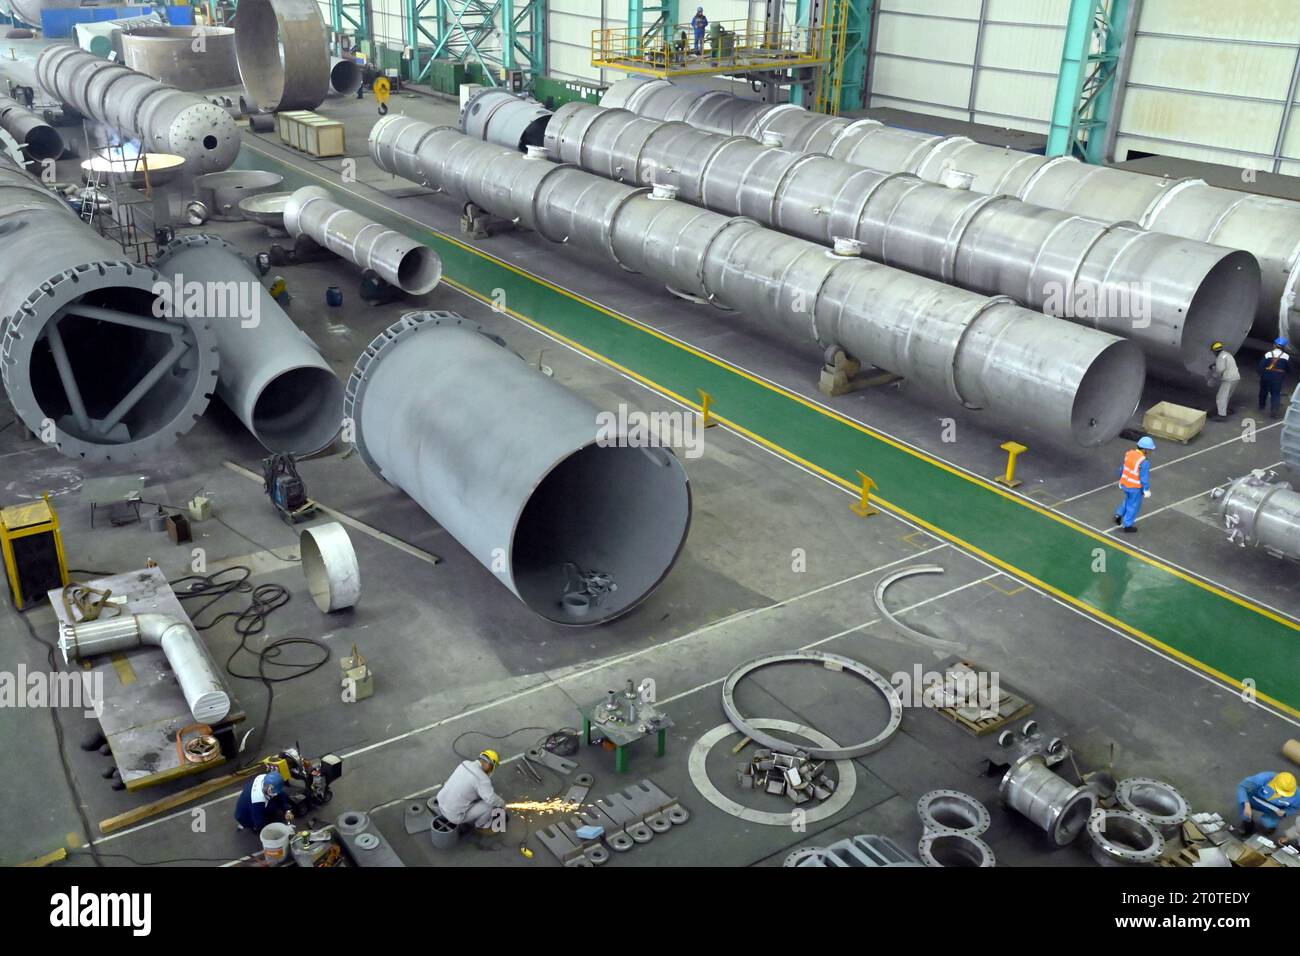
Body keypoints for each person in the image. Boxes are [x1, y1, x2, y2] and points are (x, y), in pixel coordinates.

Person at [435, 749, 505, 831]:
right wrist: (502, 804)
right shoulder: (483, 779)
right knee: (490, 805)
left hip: (440, 803)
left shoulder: (464, 763)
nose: (490, 771)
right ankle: (480, 826)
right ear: (490, 765)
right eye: (493, 768)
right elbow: (491, 799)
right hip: (454, 816)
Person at [1113, 436, 1155, 533]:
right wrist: (1146, 490)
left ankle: (1118, 514)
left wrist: (1121, 480)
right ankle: (1128, 525)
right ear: (1144, 450)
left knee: (1127, 500)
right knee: (1133, 505)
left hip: (1125, 484)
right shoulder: (1144, 462)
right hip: (1135, 488)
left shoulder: (1129, 454)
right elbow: (1143, 478)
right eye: (1149, 450)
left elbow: (1122, 469)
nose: (1150, 452)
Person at [1237, 771, 1299, 837]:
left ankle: (1268, 828)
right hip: (1255, 800)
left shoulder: (1298, 795)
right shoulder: (1263, 778)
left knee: (1268, 824)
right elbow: (1242, 786)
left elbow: (1295, 808)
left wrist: (1286, 812)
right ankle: (1248, 824)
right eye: (1278, 791)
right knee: (1244, 809)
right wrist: (1246, 803)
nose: (1280, 795)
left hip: (1274, 810)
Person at [234, 769, 294, 833]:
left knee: (275, 801)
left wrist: (287, 810)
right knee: (261, 823)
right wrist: (276, 831)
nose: (276, 794)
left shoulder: (267, 779)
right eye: (274, 793)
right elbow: (259, 822)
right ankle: (254, 828)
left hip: (250, 802)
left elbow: (280, 793)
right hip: (245, 816)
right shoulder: (257, 801)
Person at [1259, 337, 1290, 419]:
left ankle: (1261, 405)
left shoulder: (1268, 354)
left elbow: (1261, 366)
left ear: (1275, 345)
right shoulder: (1286, 357)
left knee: (1263, 391)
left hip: (1266, 376)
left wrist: (1261, 374)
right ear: (1283, 347)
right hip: (1278, 378)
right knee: (1276, 394)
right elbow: (1289, 369)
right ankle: (1274, 411)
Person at [1208, 341, 1240, 420]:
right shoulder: (1226, 354)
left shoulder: (1220, 358)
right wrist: (1215, 364)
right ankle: (1223, 409)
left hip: (1228, 379)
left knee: (1221, 397)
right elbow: (1224, 363)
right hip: (1235, 378)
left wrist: (1212, 378)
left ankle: (1221, 415)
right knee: (1226, 396)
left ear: (1215, 351)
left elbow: (1220, 370)